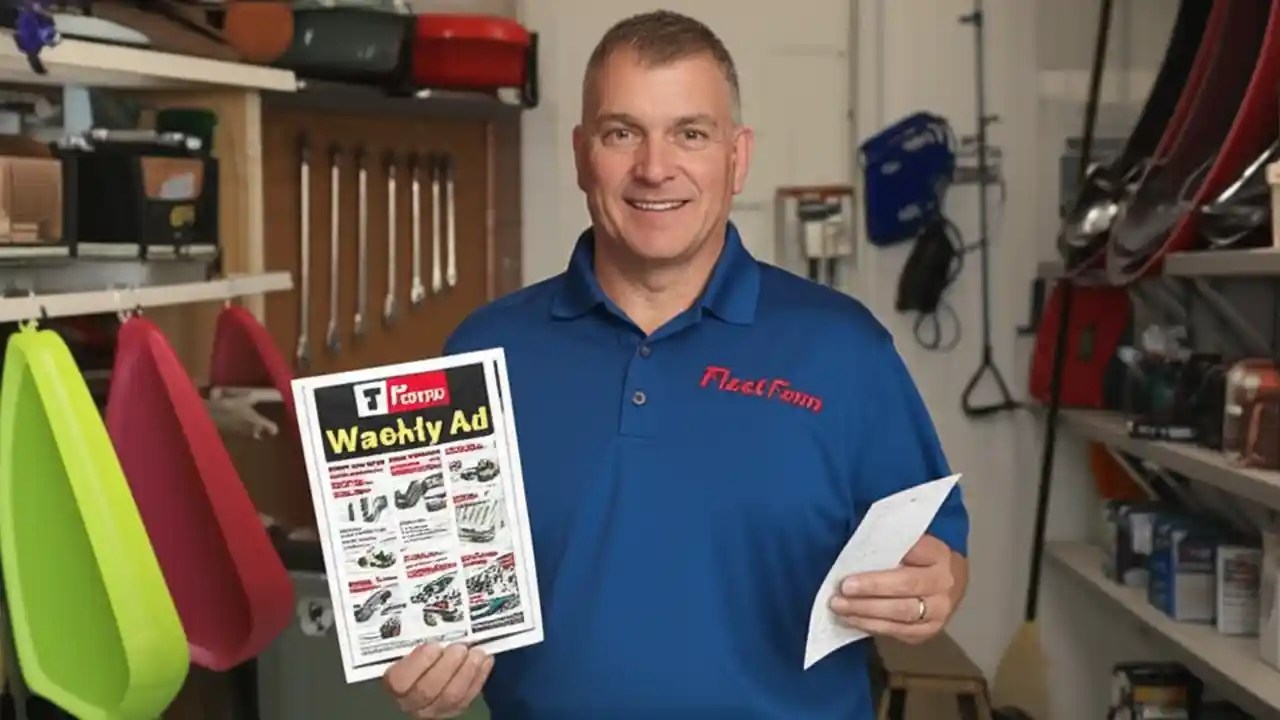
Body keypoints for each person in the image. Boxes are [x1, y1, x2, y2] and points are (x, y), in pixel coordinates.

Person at [382, 9, 970, 719]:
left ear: (737, 155)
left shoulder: (844, 349)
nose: (654, 168)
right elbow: (422, 607)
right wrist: (422, 672)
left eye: (690, 133)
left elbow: (937, 553)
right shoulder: (481, 353)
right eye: (621, 132)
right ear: (580, 155)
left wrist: (937, 587)